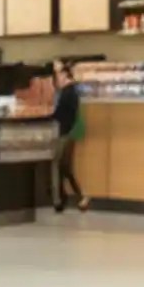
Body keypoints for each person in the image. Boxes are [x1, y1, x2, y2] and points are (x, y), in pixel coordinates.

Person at [51, 60, 89, 213]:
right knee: (64, 167)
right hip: (70, 133)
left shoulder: (67, 93)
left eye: (59, 75)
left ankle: (58, 200)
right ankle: (75, 198)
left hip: (65, 133)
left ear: (65, 75)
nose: (57, 79)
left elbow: (59, 114)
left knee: (57, 165)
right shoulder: (73, 92)